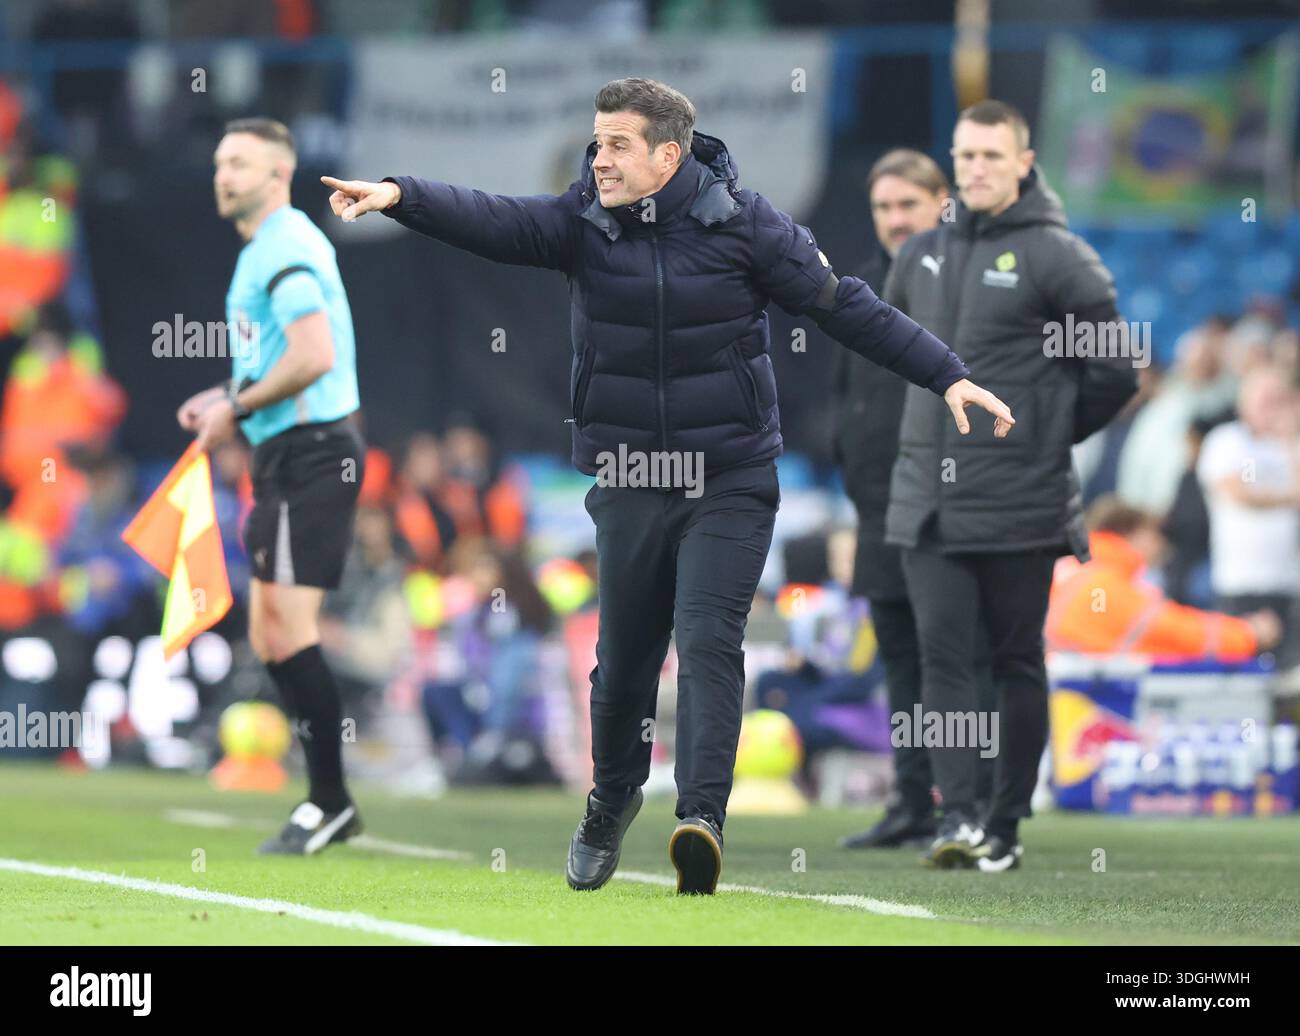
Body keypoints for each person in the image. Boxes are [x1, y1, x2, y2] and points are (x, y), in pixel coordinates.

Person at [321, 77, 1012, 894]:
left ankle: (701, 820)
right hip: (630, 479)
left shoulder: (749, 227)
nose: (599, 157)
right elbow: (492, 218)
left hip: (731, 475)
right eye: (596, 140)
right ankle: (610, 800)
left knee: (711, 640)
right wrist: (400, 195)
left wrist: (949, 376)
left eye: (616, 143)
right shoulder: (581, 222)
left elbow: (844, 307)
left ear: (667, 154)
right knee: (622, 668)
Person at [882, 100, 1137, 872]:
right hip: (926, 501)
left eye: (993, 155)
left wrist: (1041, 441)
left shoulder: (1061, 257)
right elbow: (889, 356)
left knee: (1015, 659)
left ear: (1025, 161)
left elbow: (1117, 370)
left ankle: (1007, 821)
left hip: (1020, 503)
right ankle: (957, 815)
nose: (976, 168)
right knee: (942, 659)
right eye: (965, 156)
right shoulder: (918, 255)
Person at [176, 118, 366, 855]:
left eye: (240, 163)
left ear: (278, 174)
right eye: (220, 161)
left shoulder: (283, 244)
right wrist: (229, 391)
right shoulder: (269, 248)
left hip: (312, 452)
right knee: (269, 631)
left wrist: (236, 406)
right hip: (289, 454)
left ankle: (330, 800)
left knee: (287, 630)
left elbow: (314, 355)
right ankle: (328, 798)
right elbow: (287, 355)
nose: (223, 174)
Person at [833, 150, 996, 850]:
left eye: (909, 205)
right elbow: (853, 406)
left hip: (948, 510)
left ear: (943, 203)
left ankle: (977, 804)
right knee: (899, 659)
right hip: (879, 512)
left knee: (958, 658)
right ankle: (912, 801)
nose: (896, 220)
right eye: (883, 208)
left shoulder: (972, 284)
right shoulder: (856, 291)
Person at [1045, 496, 1281, 661]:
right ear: (1131, 532)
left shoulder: (1071, 569)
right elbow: (1176, 631)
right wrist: (1248, 634)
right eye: (1155, 533)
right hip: (1083, 704)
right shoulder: (1106, 584)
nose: (1161, 543)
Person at [1196, 364, 1299, 662]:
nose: (1272, 407)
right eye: (1265, 399)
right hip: (1240, 580)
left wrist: (1290, 441)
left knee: (1289, 674)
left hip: (1287, 582)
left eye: (1279, 399)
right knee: (1240, 667)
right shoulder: (1228, 440)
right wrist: (1288, 497)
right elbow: (1237, 491)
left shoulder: (1291, 443)